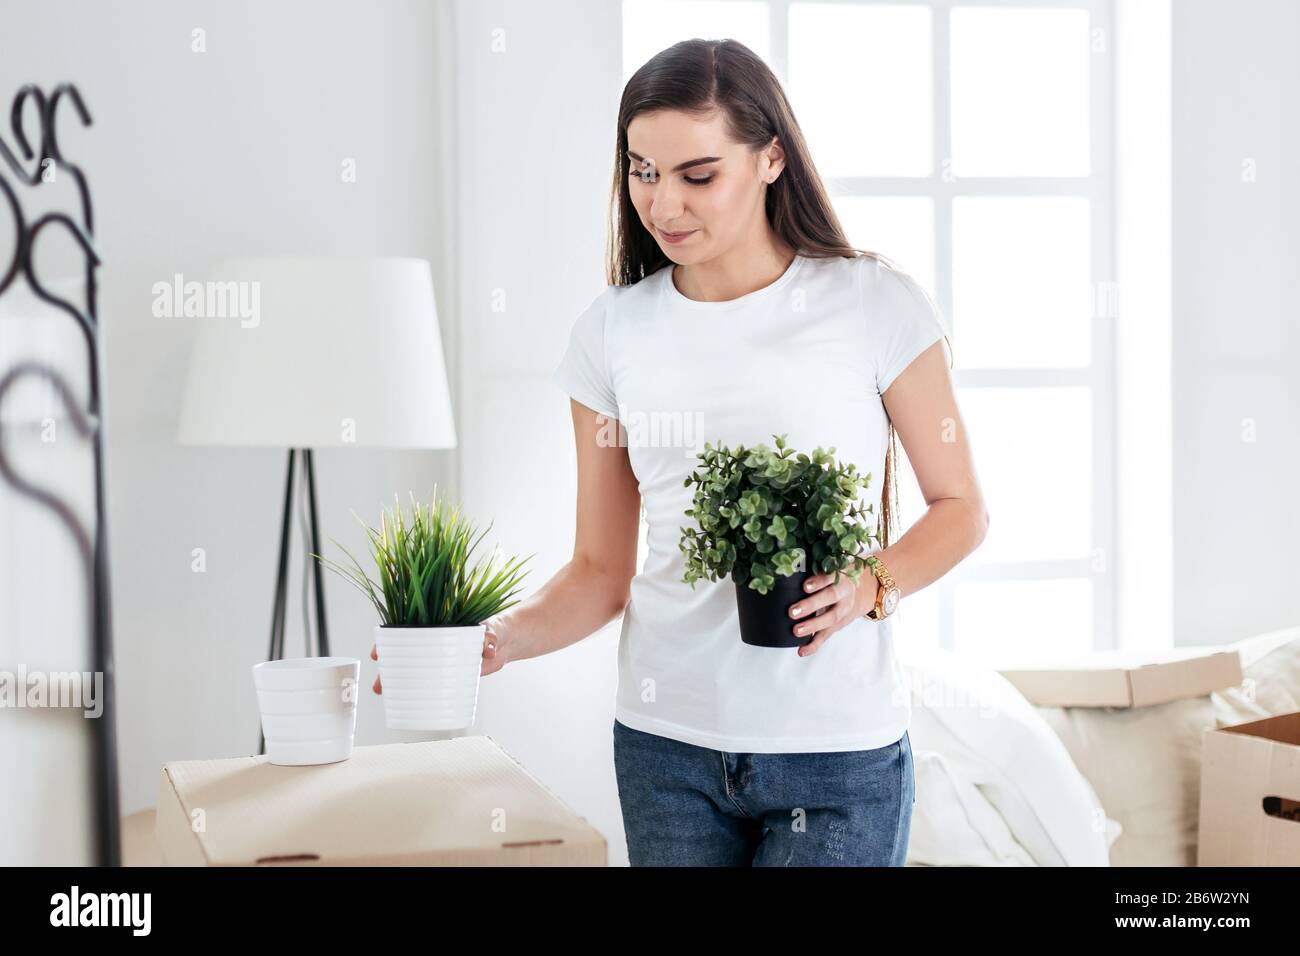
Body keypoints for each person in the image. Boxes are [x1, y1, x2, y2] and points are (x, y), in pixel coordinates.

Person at [377, 38, 988, 866]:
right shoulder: (611, 334)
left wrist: (870, 585)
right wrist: (501, 638)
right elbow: (600, 569)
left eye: (698, 175)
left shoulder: (874, 304)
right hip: (667, 751)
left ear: (772, 157)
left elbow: (961, 510)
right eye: (642, 171)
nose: (663, 205)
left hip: (837, 755)